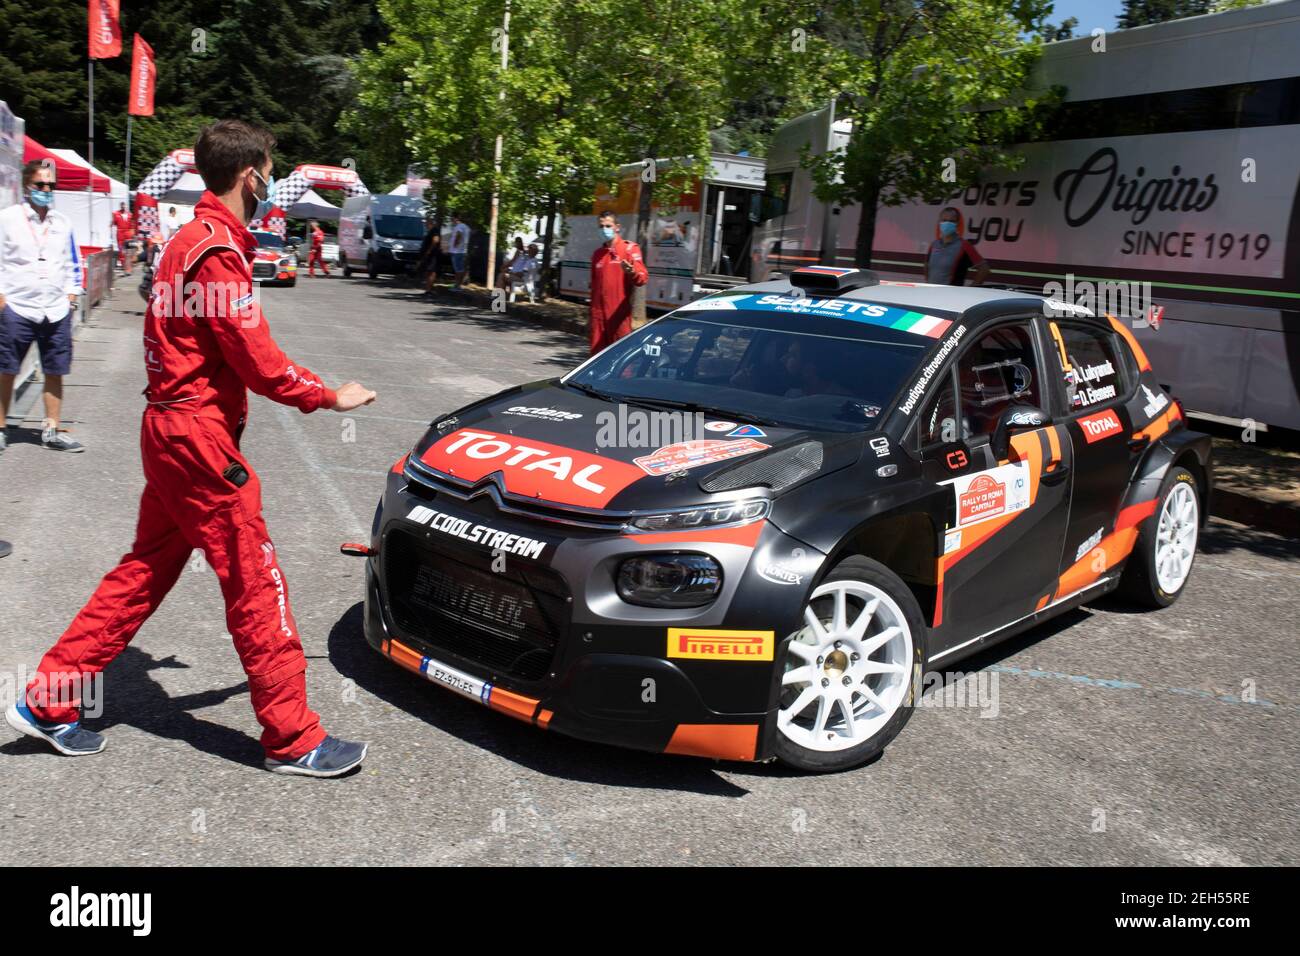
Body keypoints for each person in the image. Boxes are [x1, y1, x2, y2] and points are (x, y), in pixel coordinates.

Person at [5, 119, 378, 778]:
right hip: (197, 440)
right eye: (269, 169)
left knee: (142, 574)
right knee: (257, 580)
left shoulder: (190, 240)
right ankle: (293, 738)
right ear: (250, 174)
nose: (272, 184)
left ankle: (48, 701)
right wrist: (326, 395)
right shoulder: (216, 251)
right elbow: (257, 360)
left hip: (174, 435)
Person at [0, 160, 86, 455]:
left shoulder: (62, 222)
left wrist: (72, 295)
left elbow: (74, 261)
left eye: (51, 185)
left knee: (55, 370)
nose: (47, 190)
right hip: (18, 307)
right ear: (27, 186)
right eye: (41, 185)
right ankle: (0, 429)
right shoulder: (8, 218)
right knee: (6, 370)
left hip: (55, 308)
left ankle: (51, 429)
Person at [588, 211, 647, 354]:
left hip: (618, 318)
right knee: (596, 362)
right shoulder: (597, 254)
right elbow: (594, 289)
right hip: (598, 319)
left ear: (617, 227)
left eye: (608, 226)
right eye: (601, 226)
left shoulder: (628, 249)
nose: (604, 229)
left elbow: (642, 277)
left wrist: (631, 271)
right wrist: (590, 316)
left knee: (621, 360)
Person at [925, 207, 989, 286]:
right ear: (939, 222)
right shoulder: (934, 244)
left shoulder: (964, 246)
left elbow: (984, 269)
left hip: (952, 296)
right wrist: (927, 283)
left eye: (952, 221)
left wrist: (972, 288)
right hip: (931, 294)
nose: (947, 223)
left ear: (957, 223)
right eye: (944, 220)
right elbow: (927, 265)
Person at [416, 217, 441, 295]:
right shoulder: (430, 231)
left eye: (426, 222)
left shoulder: (434, 230)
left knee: (431, 271)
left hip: (432, 255)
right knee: (428, 271)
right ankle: (428, 289)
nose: (425, 224)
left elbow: (436, 240)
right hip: (429, 255)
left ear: (431, 223)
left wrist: (429, 250)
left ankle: (429, 290)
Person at [112, 202, 135, 276]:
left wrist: (132, 234)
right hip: (120, 233)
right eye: (121, 205)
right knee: (121, 250)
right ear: (120, 206)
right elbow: (114, 223)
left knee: (129, 251)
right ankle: (124, 266)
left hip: (127, 233)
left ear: (125, 206)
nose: (122, 207)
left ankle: (128, 268)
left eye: (123, 205)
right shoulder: (116, 214)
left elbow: (132, 225)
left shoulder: (129, 214)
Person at [448, 214, 470, 290]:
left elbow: (459, 235)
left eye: (452, 219)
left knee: (458, 270)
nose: (451, 221)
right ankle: (457, 285)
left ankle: (457, 286)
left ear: (456, 218)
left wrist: (454, 245)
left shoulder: (459, 226)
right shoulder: (466, 227)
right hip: (462, 251)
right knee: (460, 269)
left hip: (457, 251)